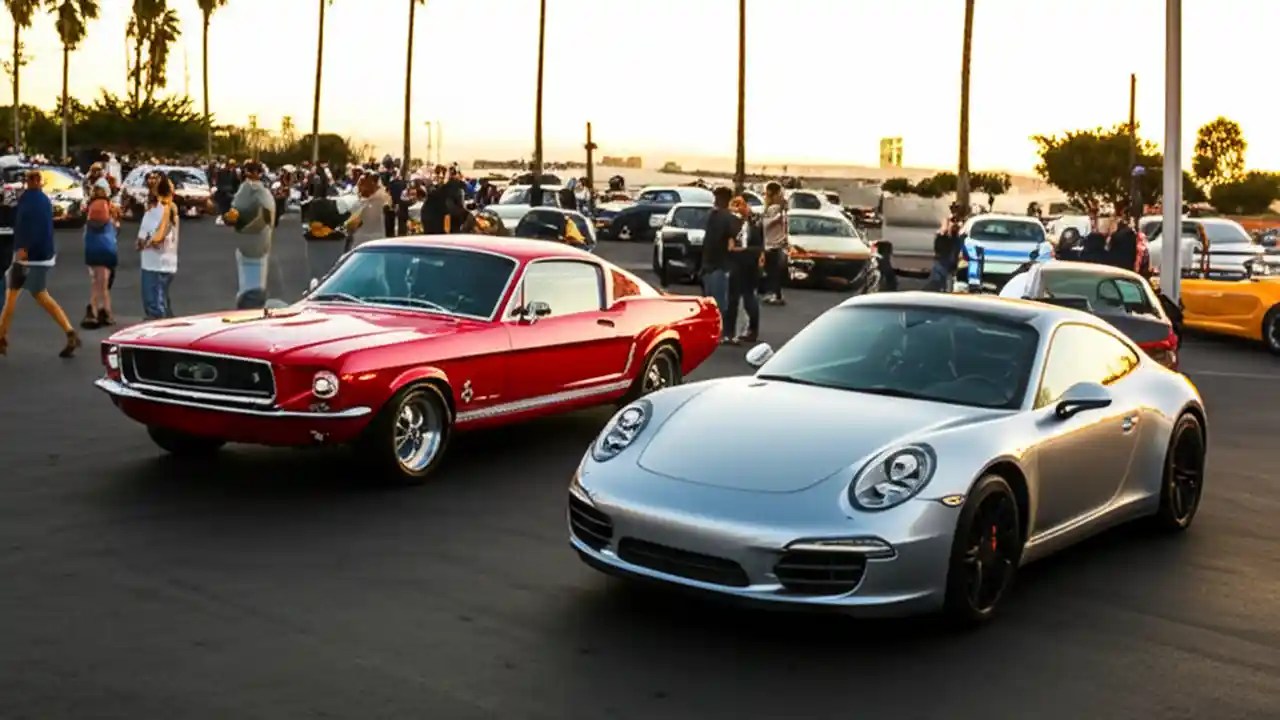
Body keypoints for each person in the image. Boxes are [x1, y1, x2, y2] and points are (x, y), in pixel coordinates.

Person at [0, 170, 80, 357]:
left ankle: (2, 337)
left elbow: (26, 227)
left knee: (15, 296)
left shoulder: (28, 201)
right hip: (44, 255)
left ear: (29, 181)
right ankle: (69, 332)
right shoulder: (44, 200)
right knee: (37, 295)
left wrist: (22, 250)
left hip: (29, 257)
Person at [224, 161, 278, 308]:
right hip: (254, 244)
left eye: (250, 171)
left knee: (250, 285)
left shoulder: (256, 191)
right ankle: (250, 307)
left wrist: (243, 228)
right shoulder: (253, 190)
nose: (247, 175)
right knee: (252, 283)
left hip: (252, 244)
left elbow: (264, 217)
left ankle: (249, 307)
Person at [138, 175, 180, 320]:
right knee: (160, 304)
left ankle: (158, 336)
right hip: (154, 263)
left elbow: (160, 235)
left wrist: (147, 241)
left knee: (155, 307)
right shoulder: (154, 208)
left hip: (157, 265)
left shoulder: (165, 208)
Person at [700, 186, 739, 344]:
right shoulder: (729, 218)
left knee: (713, 303)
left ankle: (715, 332)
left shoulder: (714, 217)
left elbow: (710, 243)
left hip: (713, 265)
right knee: (719, 302)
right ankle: (719, 332)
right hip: (719, 266)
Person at [80, 179, 119, 328]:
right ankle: (98, 311)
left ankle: (101, 310)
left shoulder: (89, 210)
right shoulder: (110, 207)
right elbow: (116, 227)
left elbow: (85, 234)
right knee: (103, 282)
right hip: (107, 249)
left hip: (92, 250)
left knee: (98, 280)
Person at [725, 196, 762, 344]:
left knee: (743, 298)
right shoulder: (739, 223)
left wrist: (742, 250)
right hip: (741, 264)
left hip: (744, 265)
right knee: (739, 298)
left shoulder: (750, 224)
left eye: (740, 205)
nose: (738, 208)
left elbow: (758, 246)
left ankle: (743, 331)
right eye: (735, 205)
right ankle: (735, 332)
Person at [760, 182, 789, 305]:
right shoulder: (776, 208)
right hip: (773, 244)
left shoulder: (774, 208)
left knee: (773, 272)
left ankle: (776, 295)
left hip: (772, 245)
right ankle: (774, 294)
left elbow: (767, 224)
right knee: (773, 271)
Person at [924, 208, 964, 291]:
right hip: (941, 268)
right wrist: (946, 225)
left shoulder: (957, 238)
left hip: (950, 271)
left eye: (957, 221)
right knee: (935, 287)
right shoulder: (942, 236)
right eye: (953, 221)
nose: (955, 223)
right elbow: (939, 245)